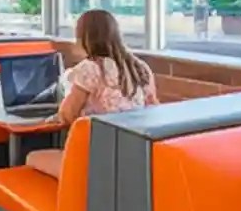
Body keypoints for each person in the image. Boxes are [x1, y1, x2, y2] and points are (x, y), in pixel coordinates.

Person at [26, 9, 159, 178]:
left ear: (85, 38)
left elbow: (67, 115)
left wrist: (66, 91)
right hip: (133, 158)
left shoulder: (89, 68)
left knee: (31, 158)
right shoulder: (140, 68)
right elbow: (154, 109)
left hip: (95, 160)